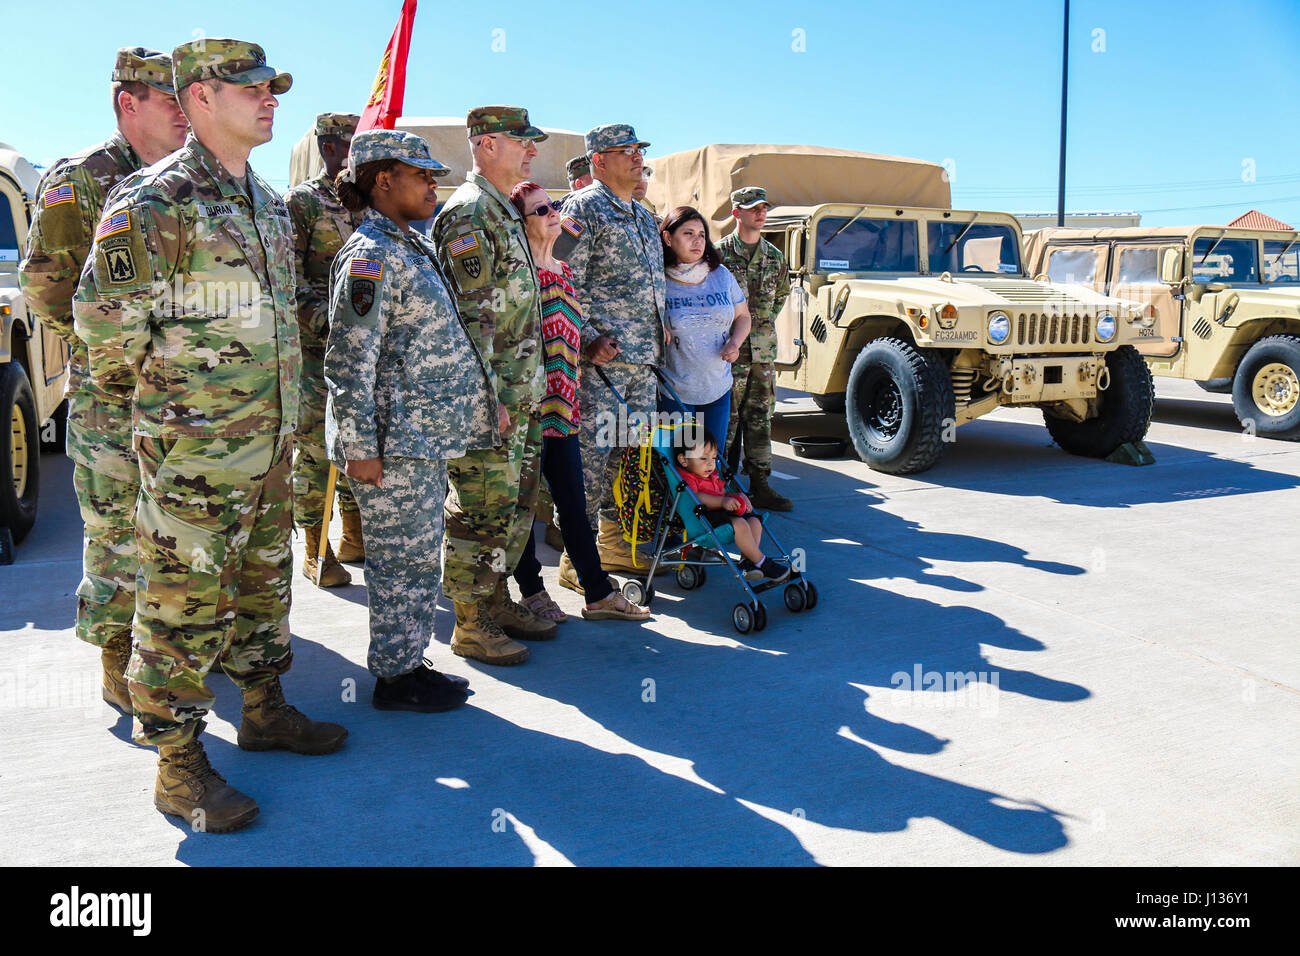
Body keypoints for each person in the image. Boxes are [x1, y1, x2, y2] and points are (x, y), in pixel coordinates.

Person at [74, 38, 348, 833]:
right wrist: (170, 419)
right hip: (192, 456)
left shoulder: (264, 201)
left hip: (269, 449)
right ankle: (178, 766)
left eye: (273, 88)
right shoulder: (155, 200)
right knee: (181, 606)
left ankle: (263, 709)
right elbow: (103, 325)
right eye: (251, 88)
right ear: (198, 97)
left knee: (263, 586)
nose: (269, 100)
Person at [18, 47, 188, 714]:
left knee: (178, 528)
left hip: (186, 398)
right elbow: (44, 286)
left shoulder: (186, 180)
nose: (184, 112)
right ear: (130, 104)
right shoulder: (84, 179)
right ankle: (119, 660)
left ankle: (178, 647)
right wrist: (114, 353)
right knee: (118, 533)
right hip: (115, 400)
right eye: (169, 100)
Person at [326, 130, 496, 710]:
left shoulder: (408, 244)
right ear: (382, 181)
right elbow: (350, 359)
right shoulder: (370, 255)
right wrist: (359, 446)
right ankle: (395, 679)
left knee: (418, 556)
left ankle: (408, 661)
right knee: (399, 562)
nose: (433, 184)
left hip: (419, 435)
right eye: (421, 175)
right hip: (392, 441)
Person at [430, 106, 554, 666]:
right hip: (491, 399)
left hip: (519, 392)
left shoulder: (501, 209)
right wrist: (486, 400)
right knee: (479, 508)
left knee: (514, 506)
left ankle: (496, 599)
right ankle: (470, 622)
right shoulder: (468, 215)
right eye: (520, 142)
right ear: (484, 145)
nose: (530, 151)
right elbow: (469, 319)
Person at [506, 181, 650, 622]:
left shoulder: (562, 271)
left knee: (572, 500)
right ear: (521, 224)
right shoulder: (520, 275)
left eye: (551, 205)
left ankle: (597, 591)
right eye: (540, 209)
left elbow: (576, 327)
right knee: (524, 505)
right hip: (530, 409)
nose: (553, 212)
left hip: (564, 405)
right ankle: (531, 589)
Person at [553, 124, 667, 585]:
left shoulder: (640, 215)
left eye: (639, 149)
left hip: (642, 363)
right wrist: (584, 340)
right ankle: (574, 560)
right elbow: (560, 280)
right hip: (602, 365)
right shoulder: (582, 209)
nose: (636, 158)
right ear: (598, 159)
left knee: (627, 460)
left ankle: (612, 546)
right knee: (590, 462)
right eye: (626, 151)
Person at [285, 111, 364, 587]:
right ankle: (316, 548)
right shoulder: (302, 204)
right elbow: (288, 282)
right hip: (318, 354)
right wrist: (329, 322)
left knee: (359, 442)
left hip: (366, 354)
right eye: (351, 146)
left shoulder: (368, 204)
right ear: (329, 146)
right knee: (316, 452)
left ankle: (355, 535)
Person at [717, 186, 792, 511]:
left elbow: (779, 299)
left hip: (761, 354)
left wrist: (759, 328)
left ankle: (760, 483)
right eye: (753, 208)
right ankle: (718, 485)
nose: (761, 213)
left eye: (763, 207)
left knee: (760, 418)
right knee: (727, 422)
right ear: (736, 213)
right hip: (726, 353)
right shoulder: (717, 255)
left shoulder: (774, 258)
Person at [659, 206, 752, 458]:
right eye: (688, 233)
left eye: (701, 234)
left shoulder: (721, 275)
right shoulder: (657, 279)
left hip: (717, 389)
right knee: (681, 467)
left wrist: (735, 342)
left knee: (713, 463)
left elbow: (743, 316)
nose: (697, 240)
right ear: (668, 238)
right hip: (675, 391)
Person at [675, 430, 790, 583]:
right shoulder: (687, 477)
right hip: (705, 517)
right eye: (703, 458)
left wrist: (738, 497)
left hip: (724, 513)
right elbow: (697, 497)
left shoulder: (712, 476)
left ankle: (747, 562)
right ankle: (762, 562)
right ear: (683, 460)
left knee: (755, 522)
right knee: (741, 524)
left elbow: (723, 492)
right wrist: (722, 502)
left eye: (714, 458)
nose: (710, 463)